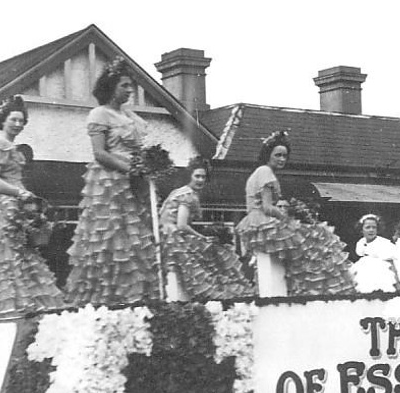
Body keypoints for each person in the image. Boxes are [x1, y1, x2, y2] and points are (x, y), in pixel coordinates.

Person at [66, 57, 160, 306]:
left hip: (135, 181)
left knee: (136, 238)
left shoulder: (132, 117)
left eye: (131, 86)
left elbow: (139, 149)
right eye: (124, 86)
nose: (130, 91)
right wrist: (131, 169)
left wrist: (147, 165)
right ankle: (106, 296)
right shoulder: (100, 114)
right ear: (110, 87)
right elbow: (100, 153)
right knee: (111, 235)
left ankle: (137, 296)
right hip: (110, 181)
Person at [0, 95, 64, 320]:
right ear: (3, 119)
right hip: (2, 209)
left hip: (14, 206)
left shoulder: (9, 146)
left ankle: (22, 308)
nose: (18, 124)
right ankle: (5, 311)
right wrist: (20, 193)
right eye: (13, 120)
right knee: (4, 258)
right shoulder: (0, 143)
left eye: (21, 121)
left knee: (19, 256)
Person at [236, 131, 355, 296]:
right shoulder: (265, 172)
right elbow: (268, 207)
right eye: (277, 155)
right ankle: (320, 287)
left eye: (284, 156)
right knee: (317, 240)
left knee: (303, 249)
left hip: (257, 221)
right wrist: (288, 218)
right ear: (267, 155)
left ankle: (308, 287)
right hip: (263, 220)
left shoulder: (261, 171)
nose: (282, 159)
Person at [160, 157, 253, 300]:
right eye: (197, 176)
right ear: (190, 176)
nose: (200, 180)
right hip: (173, 235)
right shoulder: (188, 196)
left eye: (203, 177)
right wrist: (202, 237)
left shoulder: (179, 191)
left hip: (166, 233)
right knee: (216, 252)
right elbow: (182, 225)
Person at [351, 214, 399, 293]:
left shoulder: (383, 243)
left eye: (374, 227)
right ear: (361, 230)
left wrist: (397, 282)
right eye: (368, 227)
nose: (371, 230)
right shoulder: (361, 242)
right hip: (365, 271)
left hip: (380, 272)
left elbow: (390, 262)